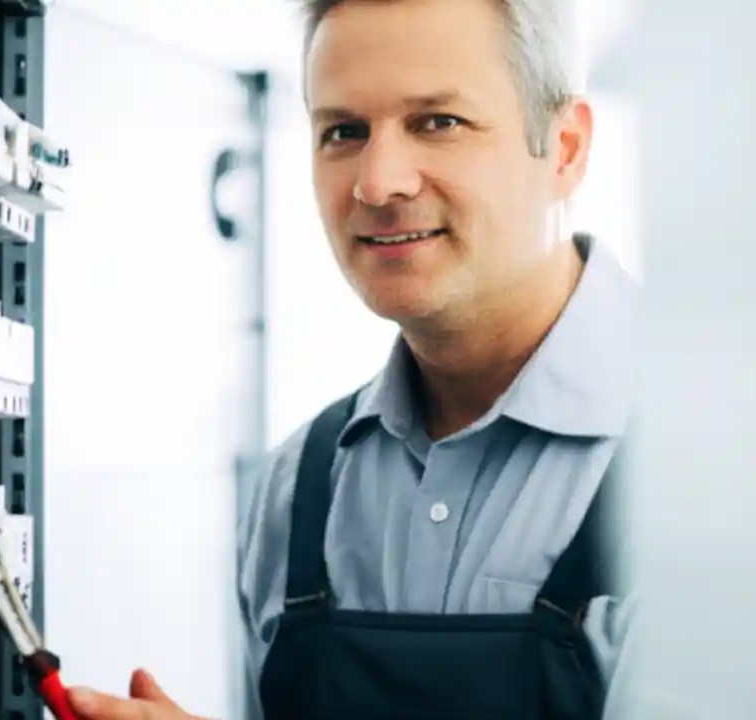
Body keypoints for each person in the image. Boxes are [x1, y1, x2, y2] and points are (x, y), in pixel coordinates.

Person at [65, 0, 636, 717]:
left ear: (566, 149)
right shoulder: (296, 490)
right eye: (344, 131)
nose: (377, 183)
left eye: (438, 122)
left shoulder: (722, 464)